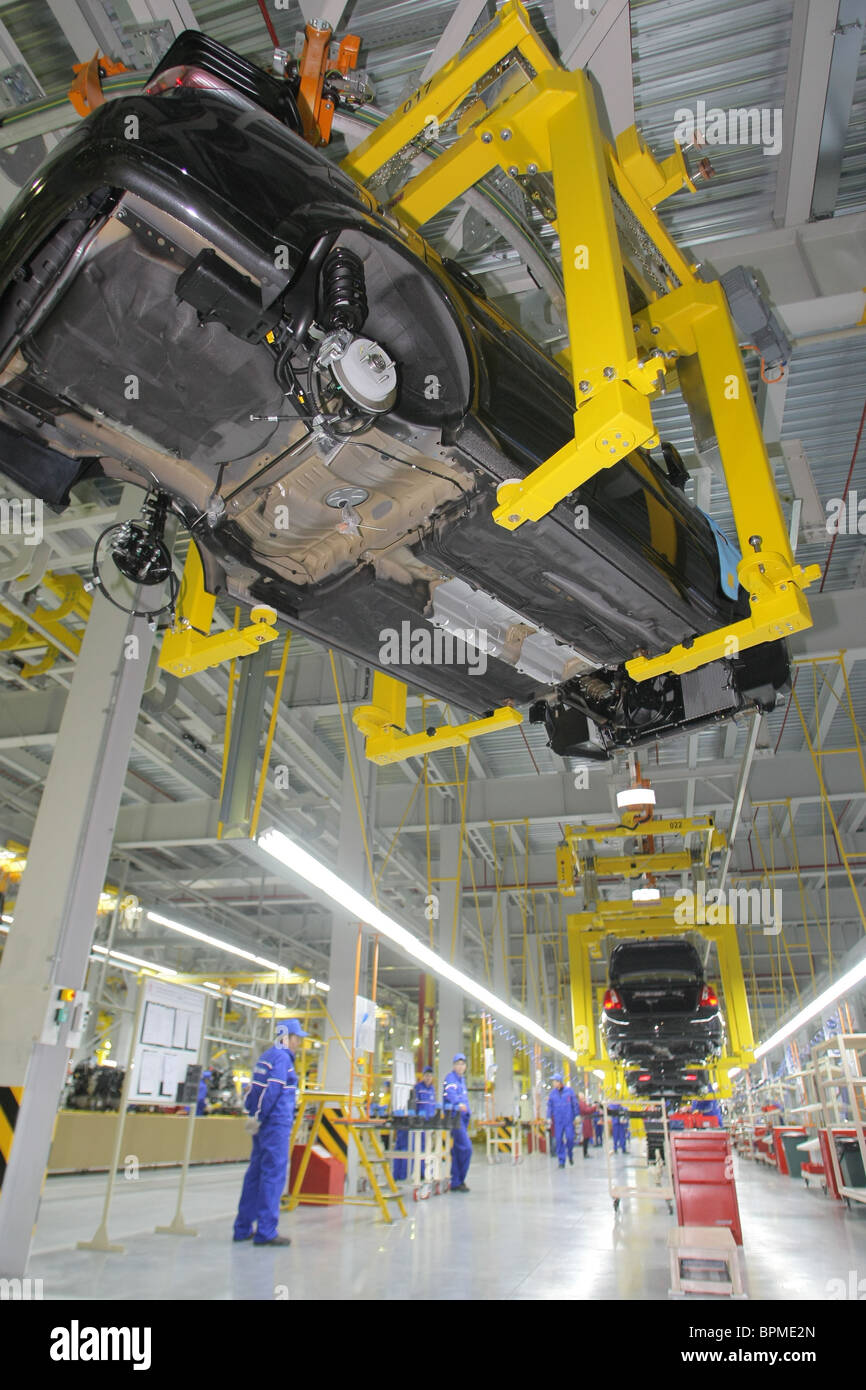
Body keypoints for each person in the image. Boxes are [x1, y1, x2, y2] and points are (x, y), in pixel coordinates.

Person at [232, 1018, 306, 1247]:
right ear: (287, 1037)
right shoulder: (282, 1059)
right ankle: (266, 1231)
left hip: (264, 1125)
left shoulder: (266, 1057)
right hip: (275, 1125)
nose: (298, 1044)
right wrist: (261, 1116)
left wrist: (253, 1114)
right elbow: (271, 1092)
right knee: (273, 1176)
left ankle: (243, 1228)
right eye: (297, 1039)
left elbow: (253, 1090)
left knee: (255, 1175)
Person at [443, 1052, 472, 1192]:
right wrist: (459, 1104)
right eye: (458, 1064)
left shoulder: (462, 1080)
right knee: (466, 1148)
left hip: (463, 1119)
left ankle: (456, 1182)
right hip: (455, 1118)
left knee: (457, 1150)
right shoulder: (451, 1079)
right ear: (454, 1066)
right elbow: (451, 1094)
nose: (460, 1067)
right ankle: (459, 1179)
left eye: (462, 1064)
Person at [547, 1071, 577, 1167]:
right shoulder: (552, 1094)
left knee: (570, 1138)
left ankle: (570, 1155)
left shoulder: (569, 1091)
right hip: (558, 1121)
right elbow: (549, 1107)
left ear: (559, 1082)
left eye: (554, 1081)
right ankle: (561, 1160)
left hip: (568, 1120)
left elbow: (575, 1104)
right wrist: (548, 1117)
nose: (553, 1083)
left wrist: (577, 1115)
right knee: (559, 1139)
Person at [577, 1092, 597, 1159]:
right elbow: (586, 1110)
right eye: (582, 1095)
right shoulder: (581, 1104)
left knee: (587, 1137)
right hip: (585, 1121)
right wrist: (594, 1108)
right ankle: (585, 1153)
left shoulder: (583, 1103)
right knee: (586, 1137)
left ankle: (586, 1152)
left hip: (587, 1120)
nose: (584, 1096)